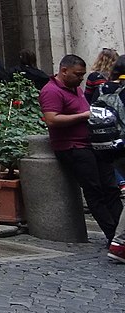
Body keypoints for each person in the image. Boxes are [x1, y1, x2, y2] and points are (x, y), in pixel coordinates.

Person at [40, 53, 122, 244]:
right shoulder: (51, 91)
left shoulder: (74, 88)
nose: (81, 79)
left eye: (82, 75)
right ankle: (113, 236)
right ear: (64, 71)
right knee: (95, 191)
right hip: (73, 147)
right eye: (78, 74)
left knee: (111, 189)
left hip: (92, 145)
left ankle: (121, 234)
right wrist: (84, 115)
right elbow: (52, 119)